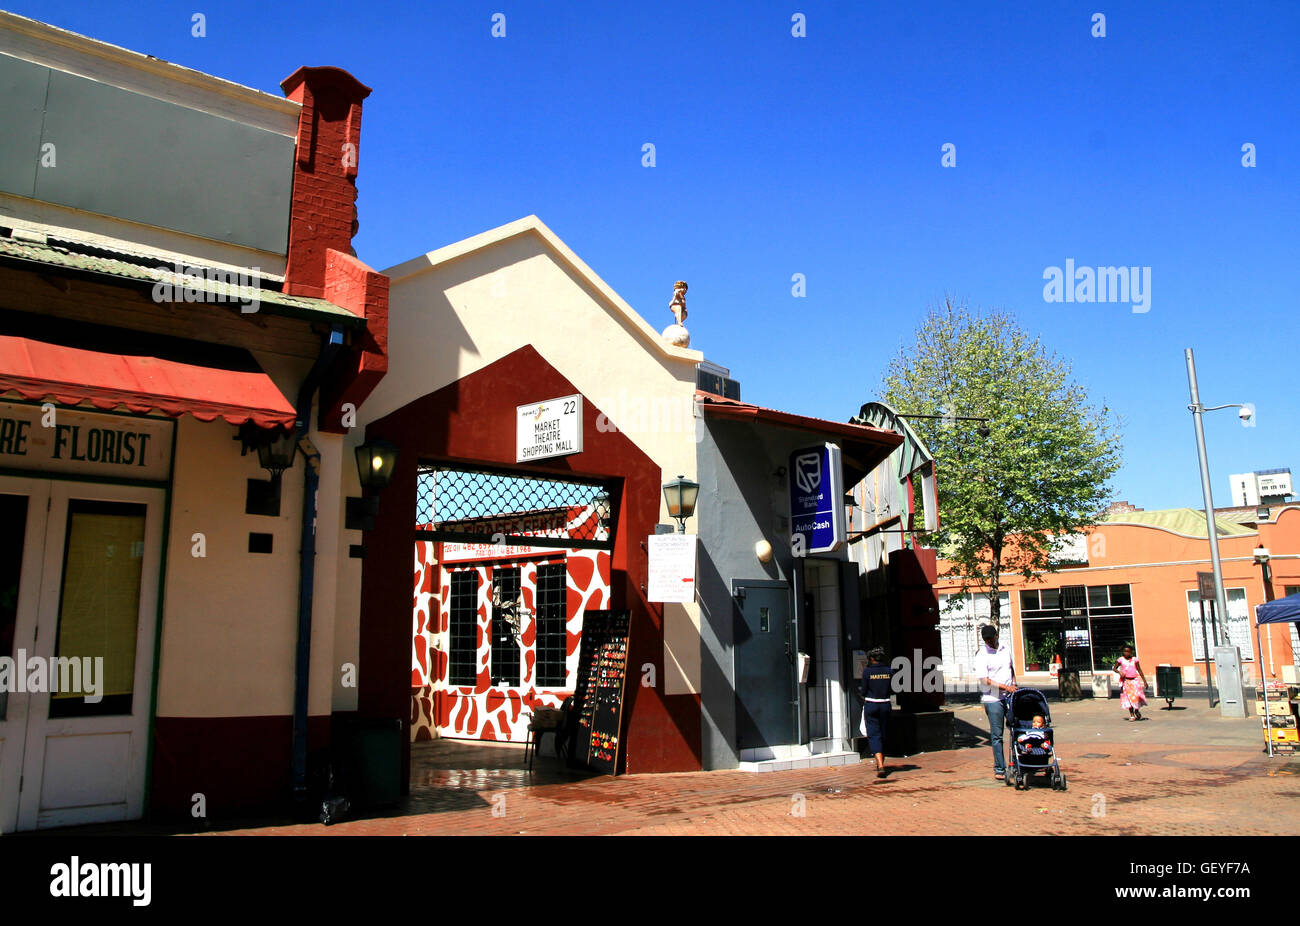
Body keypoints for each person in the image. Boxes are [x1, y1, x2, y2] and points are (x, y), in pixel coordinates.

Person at [973, 624, 1017, 780]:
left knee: (1016, 730)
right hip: (992, 698)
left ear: (996, 636)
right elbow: (984, 680)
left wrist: (1013, 684)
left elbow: (1011, 668)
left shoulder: (1005, 649)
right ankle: (1000, 768)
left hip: (1009, 695)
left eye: (991, 639)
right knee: (997, 735)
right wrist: (1005, 686)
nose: (989, 643)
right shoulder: (982, 655)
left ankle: (1016, 763)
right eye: (986, 640)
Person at [859, 646, 894, 779]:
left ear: (871, 659)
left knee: (874, 734)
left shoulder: (867, 672)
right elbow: (892, 689)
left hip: (872, 705)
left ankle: (880, 765)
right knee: (883, 733)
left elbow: (863, 691)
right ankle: (881, 762)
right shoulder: (889, 671)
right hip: (885, 704)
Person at [1114, 644, 1148, 721]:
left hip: (1135, 681)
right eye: (1125, 651)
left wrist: (1145, 681)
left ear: (1131, 652)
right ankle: (1132, 714)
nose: (1126, 653)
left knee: (1136, 698)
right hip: (1126, 681)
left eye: (1128, 651)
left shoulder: (1135, 660)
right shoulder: (1121, 660)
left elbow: (1139, 670)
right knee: (1128, 698)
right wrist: (1119, 672)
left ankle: (1136, 710)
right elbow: (1114, 668)